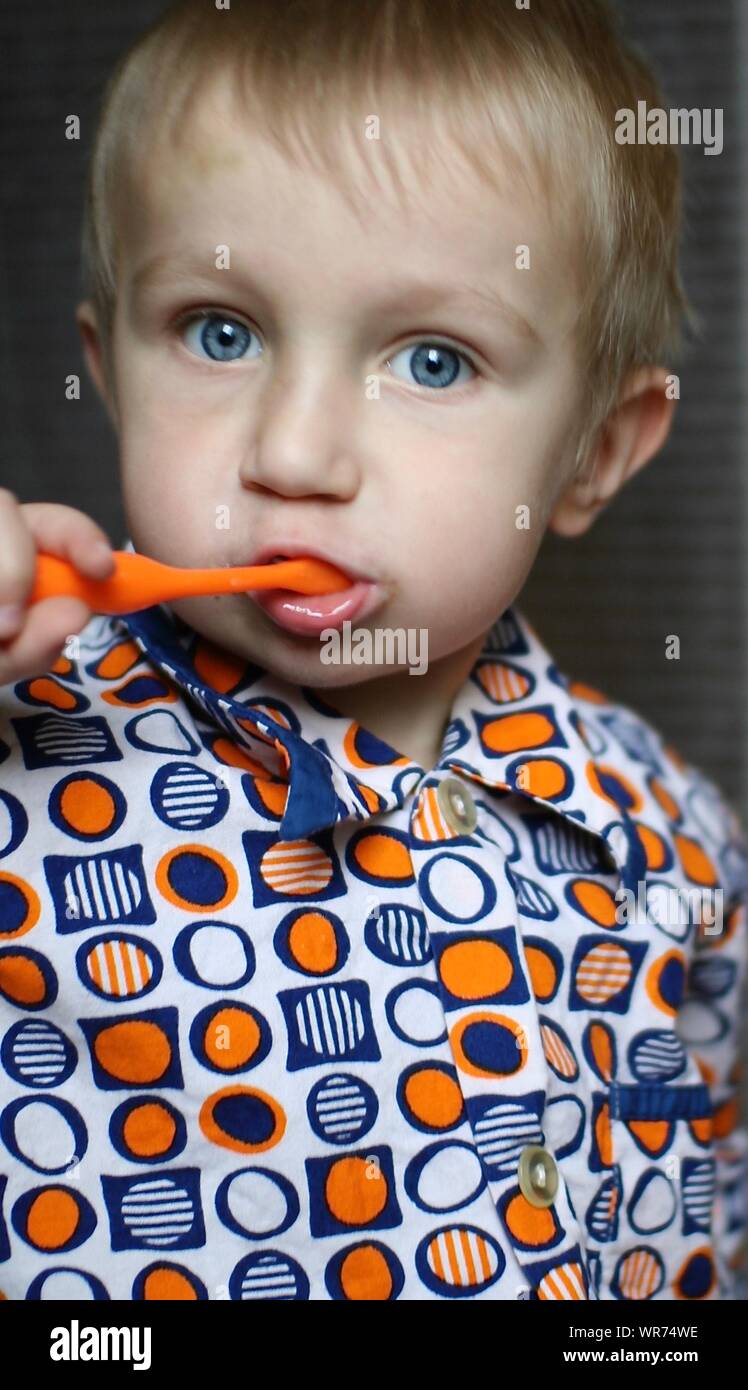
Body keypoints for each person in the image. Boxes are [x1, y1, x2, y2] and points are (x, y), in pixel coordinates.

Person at [0, 0, 746, 1301]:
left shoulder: (674, 843)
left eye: (435, 360)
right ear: (107, 372)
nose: (293, 452)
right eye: (218, 331)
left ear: (594, 453)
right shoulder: (19, 737)